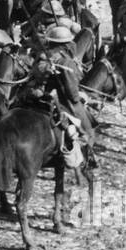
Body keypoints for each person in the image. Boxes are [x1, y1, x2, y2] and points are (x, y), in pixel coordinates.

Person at [25, 25, 95, 165]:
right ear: (66, 44)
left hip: (31, 94)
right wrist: (80, 97)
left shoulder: (41, 55)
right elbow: (72, 94)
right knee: (87, 129)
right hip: (56, 99)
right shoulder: (65, 62)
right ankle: (83, 156)